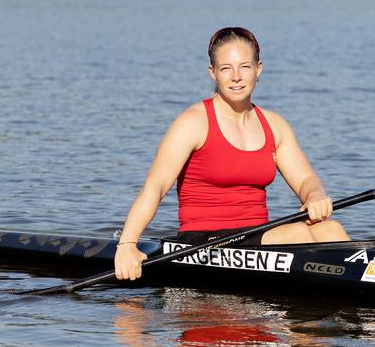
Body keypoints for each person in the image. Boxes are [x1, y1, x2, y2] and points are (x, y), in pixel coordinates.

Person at [114, 27, 349, 281]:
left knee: (330, 229)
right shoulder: (193, 122)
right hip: (204, 241)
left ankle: (358, 297)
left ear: (258, 69)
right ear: (212, 73)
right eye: (226, 68)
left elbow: (305, 180)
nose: (236, 77)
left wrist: (315, 195)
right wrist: (127, 245)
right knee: (297, 236)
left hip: (260, 233)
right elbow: (155, 187)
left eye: (245, 67)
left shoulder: (274, 125)